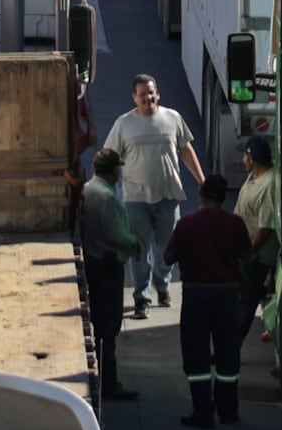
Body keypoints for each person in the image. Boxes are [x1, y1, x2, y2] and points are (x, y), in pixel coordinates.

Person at [102, 74, 204, 319]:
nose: (147, 98)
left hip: (168, 196)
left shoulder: (173, 119)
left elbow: (185, 150)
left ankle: (162, 281)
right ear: (134, 97)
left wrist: (202, 180)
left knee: (169, 247)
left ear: (157, 94)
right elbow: (109, 157)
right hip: (135, 200)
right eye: (142, 94)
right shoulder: (124, 124)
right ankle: (141, 297)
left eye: (151, 93)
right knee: (140, 250)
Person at [164, 174, 253, 428]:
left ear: (200, 194)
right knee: (227, 353)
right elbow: (246, 254)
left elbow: (169, 257)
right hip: (227, 295)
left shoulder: (186, 224)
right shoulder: (235, 224)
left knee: (196, 354)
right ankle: (228, 411)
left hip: (196, 295)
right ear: (224, 198)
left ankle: (202, 412)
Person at [80, 147, 141, 402]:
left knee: (101, 323)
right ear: (114, 169)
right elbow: (116, 235)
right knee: (109, 326)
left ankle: (106, 379)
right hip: (108, 267)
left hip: (94, 262)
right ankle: (109, 383)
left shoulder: (87, 189)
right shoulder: (107, 197)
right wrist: (134, 242)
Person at [233, 134, 280, 340]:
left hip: (257, 257)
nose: (242, 159)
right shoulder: (254, 176)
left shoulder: (269, 185)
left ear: (252, 159)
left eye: (245, 156)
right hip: (246, 252)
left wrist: (248, 252)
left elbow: (266, 227)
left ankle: (231, 349)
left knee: (245, 304)